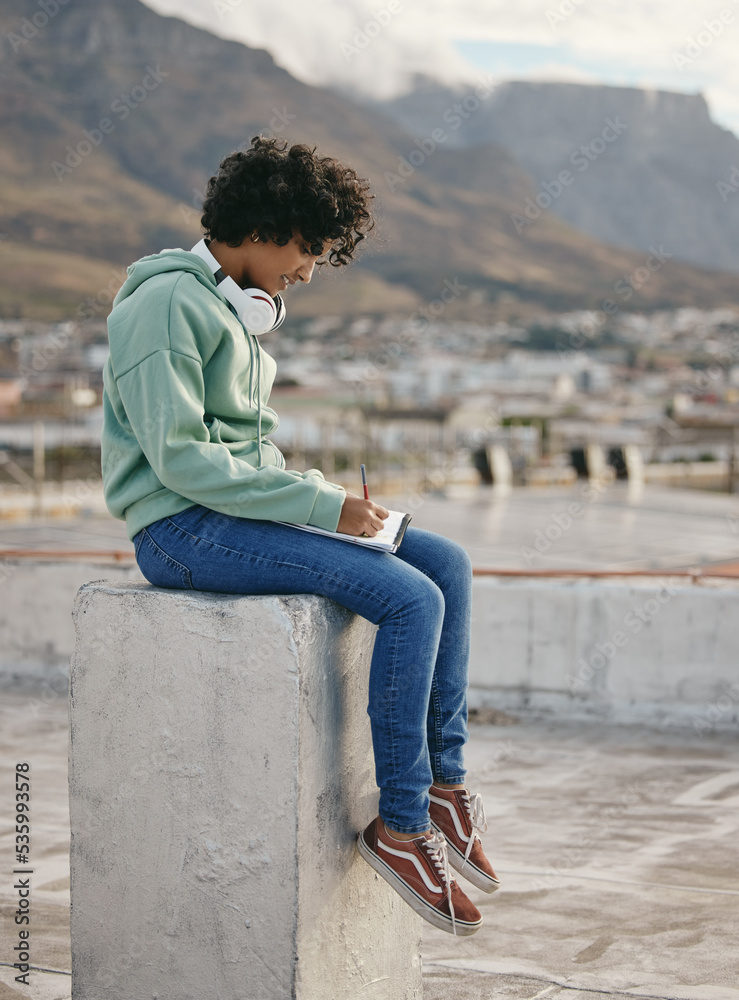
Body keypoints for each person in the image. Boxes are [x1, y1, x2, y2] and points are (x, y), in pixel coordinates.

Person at [101, 135, 499, 937]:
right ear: (261, 225)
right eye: (307, 250)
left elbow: (245, 454)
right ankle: (401, 825)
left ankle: (444, 787)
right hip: (182, 530)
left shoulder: (222, 308)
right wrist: (321, 509)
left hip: (237, 514)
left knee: (445, 564)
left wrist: (320, 498)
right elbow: (181, 461)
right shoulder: (165, 306)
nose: (310, 271)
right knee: (409, 600)